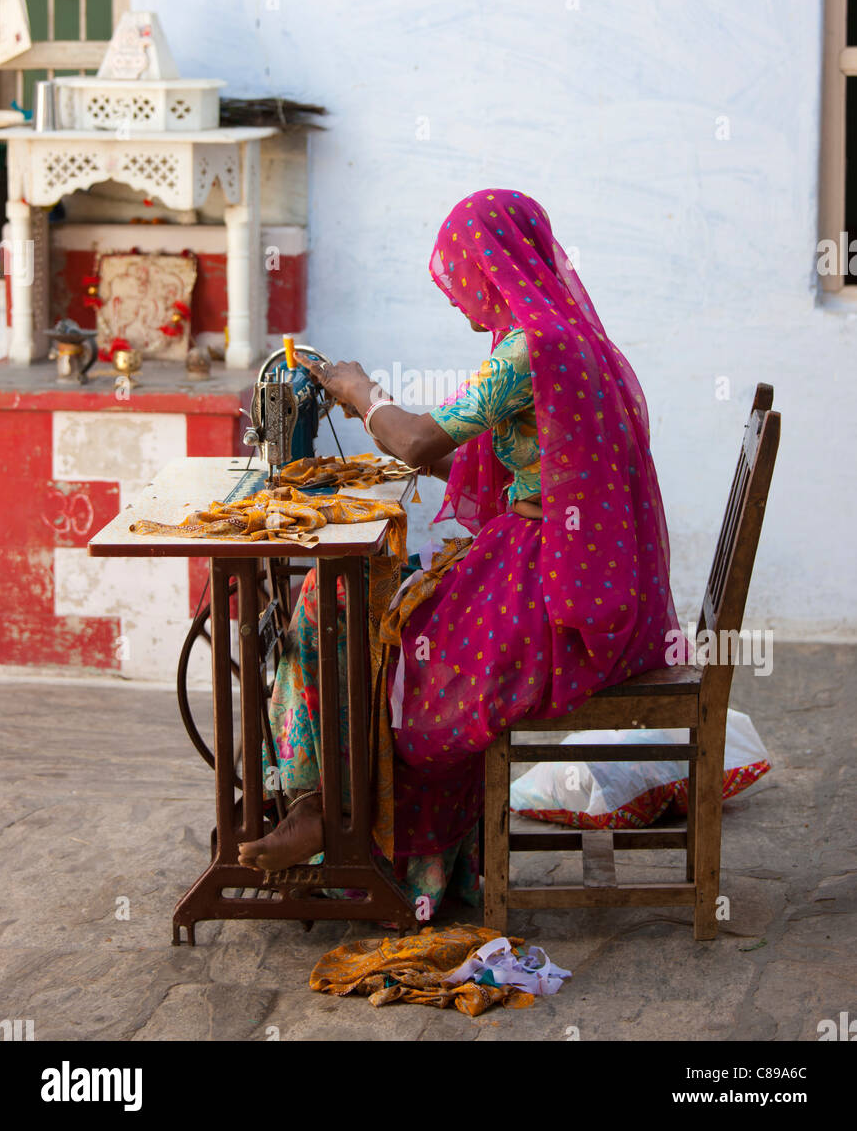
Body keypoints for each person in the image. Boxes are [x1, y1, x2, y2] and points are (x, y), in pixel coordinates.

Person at [239, 188, 681, 917]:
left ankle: (331, 814)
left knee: (349, 614)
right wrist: (390, 430)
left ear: (491, 265)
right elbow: (493, 463)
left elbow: (415, 440)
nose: (456, 299)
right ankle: (335, 815)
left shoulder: (529, 348)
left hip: (553, 602)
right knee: (369, 610)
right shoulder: (578, 341)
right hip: (581, 583)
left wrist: (360, 391)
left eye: (459, 276)